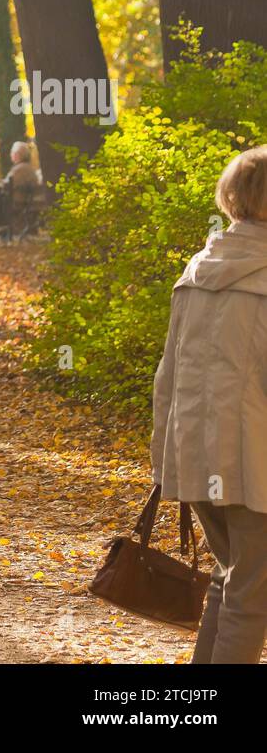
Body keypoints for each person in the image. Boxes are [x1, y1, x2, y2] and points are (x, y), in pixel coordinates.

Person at [152, 147, 267, 664]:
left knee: (231, 578)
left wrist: (163, 459)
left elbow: (168, 377)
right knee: (251, 594)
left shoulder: (198, 269)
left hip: (197, 457)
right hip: (252, 465)